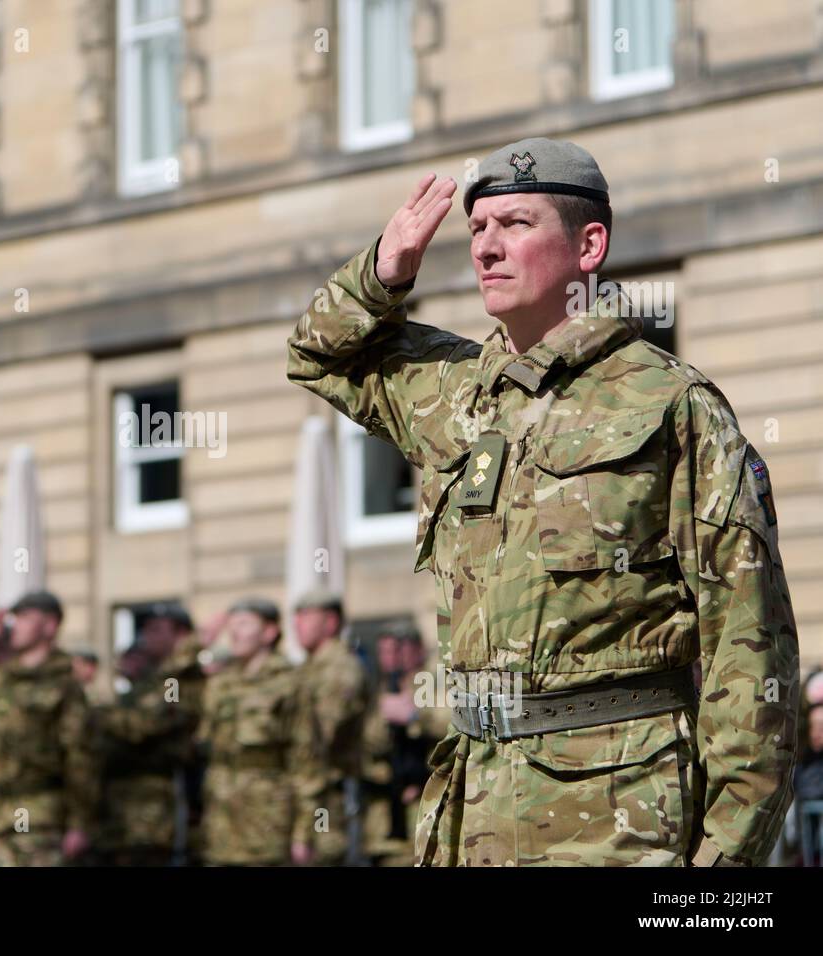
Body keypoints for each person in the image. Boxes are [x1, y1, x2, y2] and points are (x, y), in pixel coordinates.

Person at [287, 137, 800, 866]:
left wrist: (719, 877)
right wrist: (383, 271)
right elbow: (313, 354)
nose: (486, 249)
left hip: (619, 819)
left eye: (517, 225)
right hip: (470, 812)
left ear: (589, 244)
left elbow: (749, 657)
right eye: (476, 230)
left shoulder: (672, 406)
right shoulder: (452, 389)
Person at [0, 591, 96, 866]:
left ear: (49, 626)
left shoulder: (64, 683)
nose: (15, 626)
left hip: (42, 815)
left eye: (24, 618)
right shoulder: (3, 679)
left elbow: (80, 756)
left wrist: (79, 824)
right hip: (0, 814)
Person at [93, 604, 204, 866]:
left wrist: (97, 716)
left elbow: (152, 721)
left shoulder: (178, 679)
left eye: (156, 629)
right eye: (145, 629)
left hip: (158, 803)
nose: (146, 636)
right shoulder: (151, 679)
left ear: (180, 636)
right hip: (126, 805)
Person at [196, 598, 303, 866]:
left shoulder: (289, 682)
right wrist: (201, 639)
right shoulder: (220, 683)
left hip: (266, 817)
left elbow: (306, 760)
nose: (234, 632)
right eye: (230, 626)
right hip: (220, 817)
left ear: (269, 632)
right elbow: (174, 678)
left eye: (244, 624)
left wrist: (304, 831)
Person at [289, 590, 367, 866]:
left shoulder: (340, 668)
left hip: (327, 800)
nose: (297, 624)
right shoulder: (308, 668)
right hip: (305, 797)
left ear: (331, 622)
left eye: (307, 616)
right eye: (296, 617)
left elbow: (317, 743)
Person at [360, 623, 446, 866]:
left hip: (428, 806)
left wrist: (415, 714)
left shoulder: (432, 684)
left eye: (399, 648)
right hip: (388, 811)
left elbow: (450, 722)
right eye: (385, 651)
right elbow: (369, 742)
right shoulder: (380, 690)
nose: (393, 658)